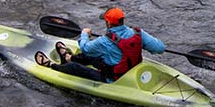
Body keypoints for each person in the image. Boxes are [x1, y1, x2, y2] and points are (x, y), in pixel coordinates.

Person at [34, 6, 165, 82]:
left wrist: (85, 34)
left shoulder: (105, 41)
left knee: (75, 67)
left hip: (112, 78)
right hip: (130, 69)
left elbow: (85, 48)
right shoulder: (138, 33)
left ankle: (51, 65)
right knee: (95, 56)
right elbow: (160, 48)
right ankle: (68, 57)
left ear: (108, 23)